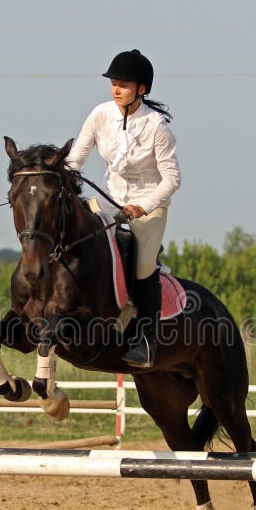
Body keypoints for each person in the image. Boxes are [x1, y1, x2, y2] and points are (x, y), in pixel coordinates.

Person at [65, 49, 181, 368]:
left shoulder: (157, 127)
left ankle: (146, 340)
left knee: (143, 266)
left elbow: (172, 178)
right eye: (114, 82)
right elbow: (76, 159)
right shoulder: (100, 114)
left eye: (124, 84)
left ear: (142, 89)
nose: (116, 89)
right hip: (107, 199)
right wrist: (63, 179)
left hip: (149, 205)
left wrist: (143, 206)